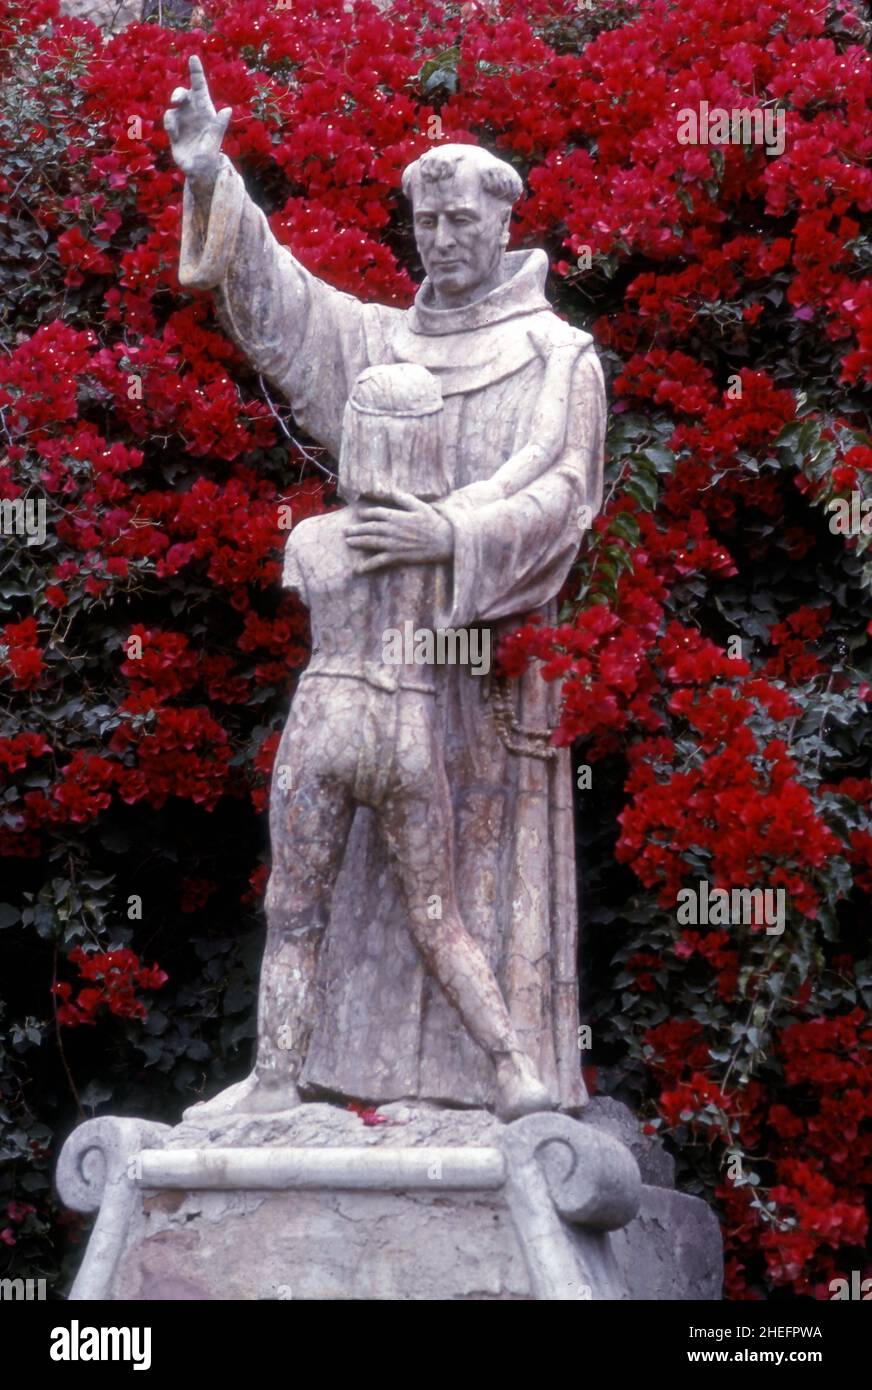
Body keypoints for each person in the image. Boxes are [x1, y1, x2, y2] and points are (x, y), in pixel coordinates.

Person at [166, 57, 606, 1115]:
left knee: (459, 897)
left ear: (504, 224)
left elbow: (562, 496)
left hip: (482, 672)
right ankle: (322, 1082)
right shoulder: (381, 344)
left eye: (461, 221)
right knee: (356, 893)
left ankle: (500, 1086)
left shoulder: (558, 358)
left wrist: (446, 533)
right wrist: (212, 178)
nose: (442, 239)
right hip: (370, 680)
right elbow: (286, 307)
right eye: (426, 221)